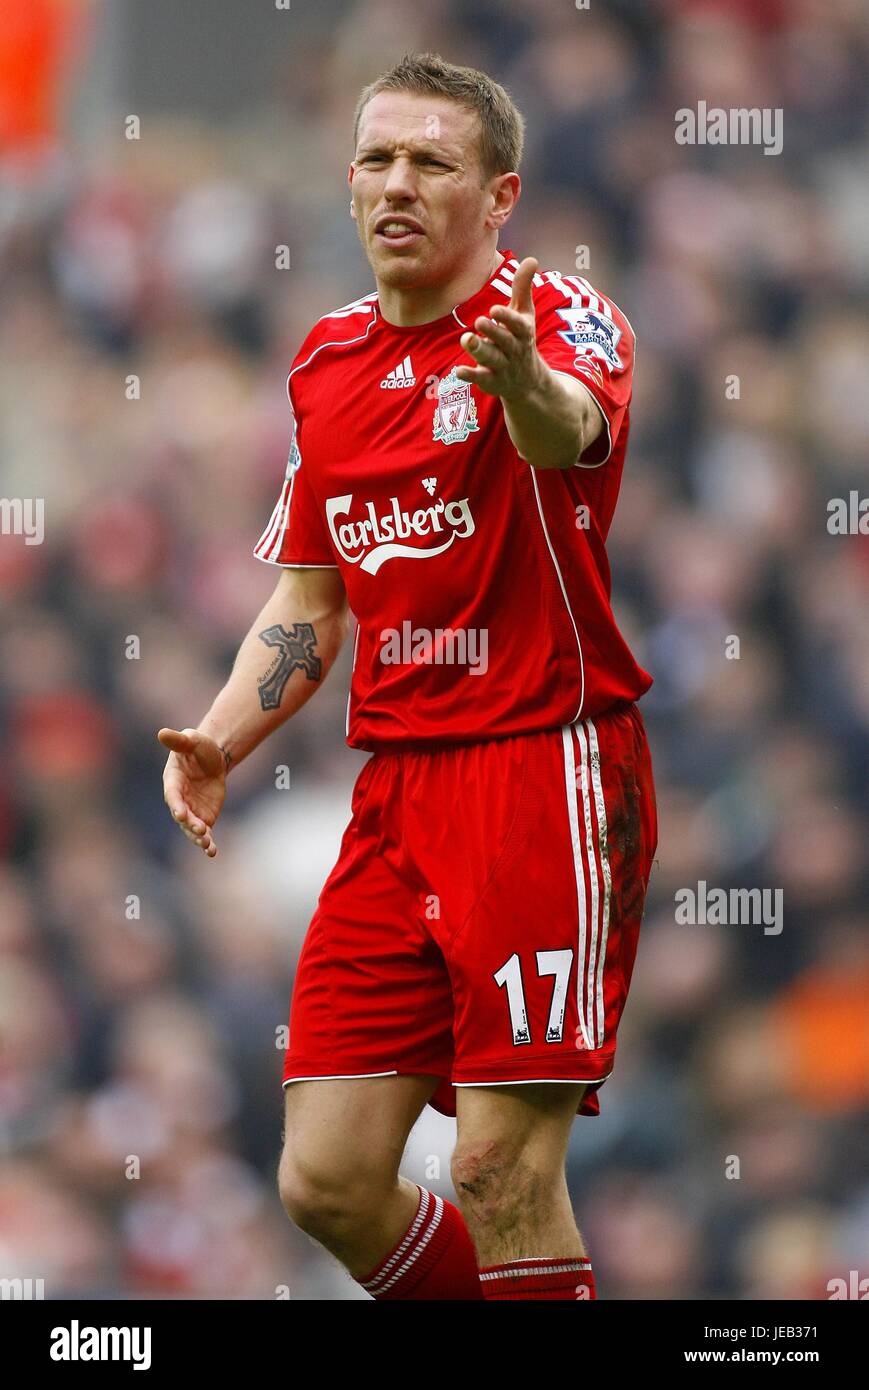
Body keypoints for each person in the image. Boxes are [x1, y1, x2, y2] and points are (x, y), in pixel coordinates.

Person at [159, 53, 657, 1302]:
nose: (397, 183)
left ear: (498, 196)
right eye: (377, 158)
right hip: (397, 793)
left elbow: (567, 430)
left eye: (432, 162)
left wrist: (517, 386)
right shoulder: (325, 362)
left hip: (542, 764)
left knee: (498, 1168)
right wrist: (224, 735)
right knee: (324, 1179)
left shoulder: (554, 318)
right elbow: (312, 596)